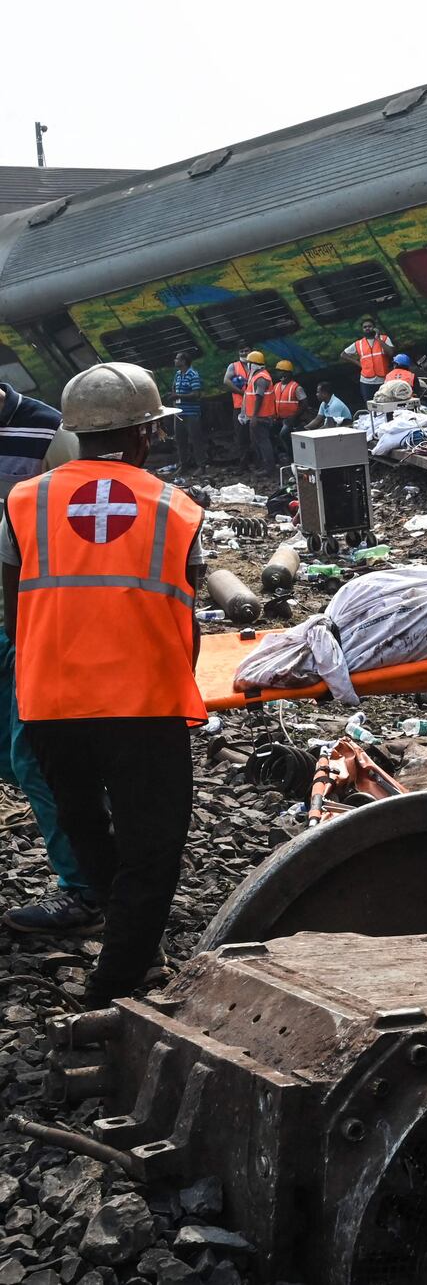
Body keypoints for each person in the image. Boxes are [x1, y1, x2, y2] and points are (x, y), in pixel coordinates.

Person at [2, 363, 206, 1006]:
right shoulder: (176, 509)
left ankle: (127, 946)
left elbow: (14, 614)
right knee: (154, 843)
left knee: (84, 823)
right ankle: (119, 980)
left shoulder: (22, 503)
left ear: (73, 435)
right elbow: (189, 616)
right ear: (146, 434)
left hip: (51, 700)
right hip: (144, 703)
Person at [0, 377, 94, 935]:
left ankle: (85, 890)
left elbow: (72, 526)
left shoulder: (45, 433)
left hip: (27, 620)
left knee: (35, 757)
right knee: (15, 759)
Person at [341, 317, 393, 407]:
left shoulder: (384, 339)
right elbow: (343, 354)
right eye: (365, 327)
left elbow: (391, 353)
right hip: (367, 382)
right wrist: (359, 364)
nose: (367, 328)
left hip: (383, 380)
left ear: (374, 328)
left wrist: (378, 339)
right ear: (362, 329)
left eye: (370, 326)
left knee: (387, 405)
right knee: (371, 407)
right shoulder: (359, 343)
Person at [240, 352, 279, 471]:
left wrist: (255, 417)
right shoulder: (258, 376)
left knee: (263, 441)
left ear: (254, 364)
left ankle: (268, 467)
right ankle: (265, 465)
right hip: (260, 416)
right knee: (260, 441)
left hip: (261, 416)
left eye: (249, 364)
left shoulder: (261, 378)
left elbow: (259, 397)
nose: (248, 366)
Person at [169, 351, 203, 473]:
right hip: (179, 412)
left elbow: (196, 394)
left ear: (183, 361)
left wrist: (178, 395)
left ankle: (201, 465)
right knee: (180, 439)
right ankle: (184, 464)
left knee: (195, 438)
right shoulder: (178, 374)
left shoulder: (193, 375)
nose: (175, 360)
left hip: (191, 413)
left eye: (177, 359)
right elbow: (174, 387)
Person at [270, 360, 306, 463]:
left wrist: (294, 416)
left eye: (281, 371)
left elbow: (304, 404)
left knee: (284, 434)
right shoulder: (276, 386)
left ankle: (292, 458)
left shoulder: (296, 387)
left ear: (287, 373)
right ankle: (278, 457)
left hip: (290, 419)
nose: (279, 373)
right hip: (278, 418)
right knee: (269, 433)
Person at [224, 345, 252, 465]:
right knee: (241, 436)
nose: (244, 353)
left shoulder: (256, 365)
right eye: (242, 351)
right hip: (240, 406)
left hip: (255, 406)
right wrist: (241, 392)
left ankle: (258, 462)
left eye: (246, 350)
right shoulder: (234, 366)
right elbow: (226, 381)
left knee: (255, 435)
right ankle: (244, 463)